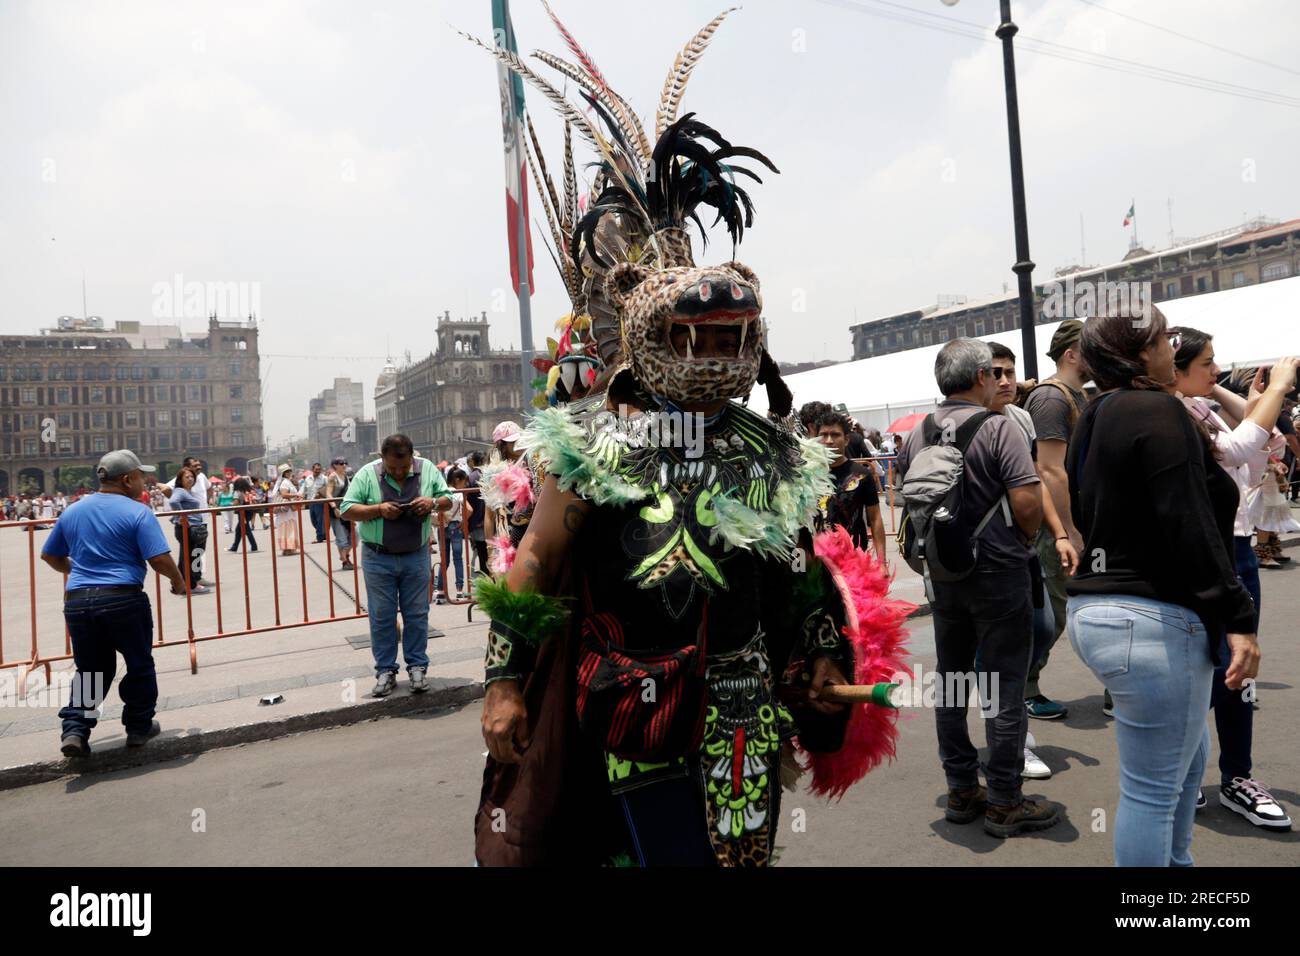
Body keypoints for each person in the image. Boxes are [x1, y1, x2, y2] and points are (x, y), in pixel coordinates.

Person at [472, 11, 911, 866]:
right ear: (646, 338)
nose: (714, 356)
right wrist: (501, 682)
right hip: (630, 693)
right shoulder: (590, 444)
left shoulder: (773, 447)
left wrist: (822, 652)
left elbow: (795, 572)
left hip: (745, 705)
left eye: (728, 338)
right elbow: (536, 566)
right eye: (691, 338)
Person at [1065, 310, 1261, 866]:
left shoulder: (1098, 412)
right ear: (1139, 354)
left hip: (1109, 614)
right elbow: (1189, 522)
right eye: (1162, 340)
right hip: (1149, 619)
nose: (1170, 349)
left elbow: (1088, 508)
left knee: (1184, 762)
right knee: (1152, 790)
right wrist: (1239, 617)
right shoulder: (1153, 409)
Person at [898, 338, 1055, 838]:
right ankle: (1006, 800)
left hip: (944, 576)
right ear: (982, 376)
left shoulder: (917, 434)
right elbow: (1027, 502)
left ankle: (962, 788)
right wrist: (1025, 541)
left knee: (953, 682)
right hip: (998, 573)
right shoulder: (997, 427)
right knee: (1004, 688)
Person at [1171, 329, 1295, 830]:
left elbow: (1255, 458)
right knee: (1198, 669)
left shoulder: (1200, 406)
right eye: (1206, 362)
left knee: (1237, 668)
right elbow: (1240, 450)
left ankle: (1237, 775)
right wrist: (1280, 390)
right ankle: (1186, 773)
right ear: (1173, 367)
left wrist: (1251, 402)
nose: (1216, 369)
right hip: (1201, 552)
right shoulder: (1171, 413)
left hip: (1237, 546)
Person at [39, 450, 188, 757]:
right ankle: (138, 727)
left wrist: (77, 571)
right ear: (126, 479)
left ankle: (76, 730)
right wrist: (178, 580)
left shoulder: (73, 510)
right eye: (140, 475)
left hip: (78, 602)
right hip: (123, 599)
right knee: (138, 663)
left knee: (91, 670)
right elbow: (158, 558)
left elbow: (50, 556)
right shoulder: (138, 511)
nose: (145, 481)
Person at [988, 342, 1079, 781]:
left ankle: (1009, 726)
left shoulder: (1021, 417)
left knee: (1041, 627)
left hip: (1022, 548)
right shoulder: (958, 422)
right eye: (995, 372)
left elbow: (1036, 478)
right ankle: (1006, 750)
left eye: (1010, 372)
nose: (1005, 380)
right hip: (979, 561)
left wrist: (1059, 531)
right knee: (991, 658)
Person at [339, 434, 453, 697]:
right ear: (383, 459)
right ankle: (386, 670)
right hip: (378, 558)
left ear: (413, 457)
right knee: (382, 616)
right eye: (393, 468)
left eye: (404, 467)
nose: (400, 473)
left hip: (416, 555)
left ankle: (417, 667)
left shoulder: (427, 469)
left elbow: (449, 499)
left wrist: (432, 502)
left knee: (417, 614)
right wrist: (378, 509)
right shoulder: (368, 474)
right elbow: (345, 509)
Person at [1021, 318, 1089, 720]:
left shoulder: (1076, 396)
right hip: (1055, 529)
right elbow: (1049, 470)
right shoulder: (1052, 399)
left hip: (1070, 525)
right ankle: (1025, 687)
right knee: (1054, 613)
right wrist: (1068, 530)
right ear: (1073, 354)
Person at [815, 410, 887, 566]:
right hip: (817, 562)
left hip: (854, 560)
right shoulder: (807, 476)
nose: (829, 440)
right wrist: (797, 568)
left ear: (846, 440)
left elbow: (875, 519)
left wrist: (881, 563)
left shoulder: (862, 475)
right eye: (823, 435)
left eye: (835, 435)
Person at [167, 468, 211, 595]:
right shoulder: (180, 491)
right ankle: (191, 585)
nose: (190, 479)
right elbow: (173, 501)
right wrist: (182, 517)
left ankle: (179, 585)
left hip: (188, 528)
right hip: (186, 528)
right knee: (188, 558)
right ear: (180, 480)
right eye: (187, 477)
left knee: (184, 558)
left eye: (192, 476)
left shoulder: (187, 491)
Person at [435, 467, 469, 602]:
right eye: (463, 482)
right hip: (455, 526)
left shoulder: (442, 492)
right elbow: (469, 509)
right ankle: (459, 591)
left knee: (444, 560)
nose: (465, 485)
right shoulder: (459, 493)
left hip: (442, 527)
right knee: (458, 559)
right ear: (457, 480)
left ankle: (441, 591)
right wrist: (463, 521)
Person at [323, 457, 354, 570]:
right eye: (341, 463)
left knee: (355, 535)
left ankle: (344, 556)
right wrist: (334, 507)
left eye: (345, 463)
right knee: (341, 537)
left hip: (347, 509)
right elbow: (328, 494)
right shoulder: (332, 477)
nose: (344, 465)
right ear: (335, 465)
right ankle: (345, 561)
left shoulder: (346, 476)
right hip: (336, 510)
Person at [466, 452, 489, 576]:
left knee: (482, 552)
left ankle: (486, 578)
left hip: (478, 520)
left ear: (473, 462)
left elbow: (468, 500)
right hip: (492, 519)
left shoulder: (471, 477)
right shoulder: (489, 474)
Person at [271, 465, 302, 555]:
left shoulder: (287, 482)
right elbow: (284, 494)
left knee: (287, 527)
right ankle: (287, 549)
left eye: (289, 471)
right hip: (287, 510)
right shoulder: (285, 482)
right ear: (283, 473)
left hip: (288, 509)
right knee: (288, 527)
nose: (289, 473)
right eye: (286, 471)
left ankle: (288, 549)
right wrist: (296, 496)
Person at [228, 475, 259, 553]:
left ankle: (254, 546)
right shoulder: (250, 490)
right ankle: (234, 547)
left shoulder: (237, 491)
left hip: (242, 513)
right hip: (250, 512)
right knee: (239, 530)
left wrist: (231, 504)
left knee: (246, 530)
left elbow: (236, 502)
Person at [304, 462, 328, 543]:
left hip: (320, 502)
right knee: (313, 520)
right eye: (316, 469)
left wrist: (322, 493)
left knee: (320, 520)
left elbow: (329, 489)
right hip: (311, 502)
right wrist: (299, 496)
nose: (318, 471)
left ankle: (319, 537)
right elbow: (304, 489)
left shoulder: (324, 478)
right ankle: (323, 534)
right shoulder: (308, 479)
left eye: (319, 469)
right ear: (312, 469)